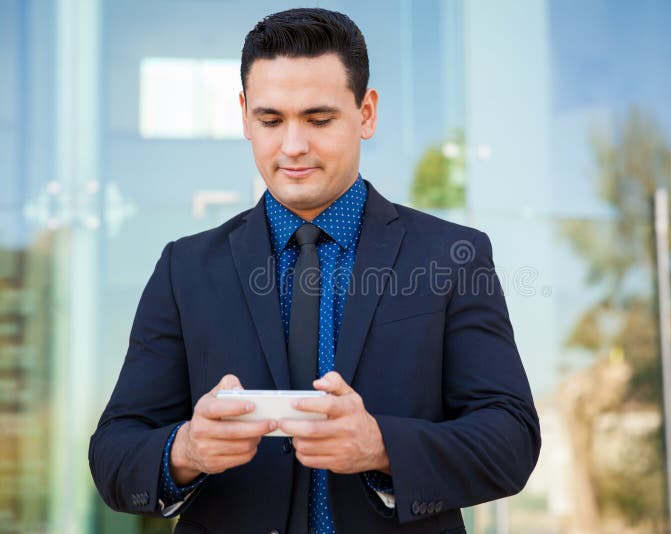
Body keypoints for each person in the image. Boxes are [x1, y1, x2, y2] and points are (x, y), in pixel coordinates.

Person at [89, 7, 540, 534]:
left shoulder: (452, 256)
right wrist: (184, 449)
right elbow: (113, 454)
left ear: (366, 113)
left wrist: (381, 446)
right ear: (243, 116)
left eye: (319, 119)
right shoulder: (183, 268)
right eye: (271, 120)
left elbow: (511, 440)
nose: (293, 146)